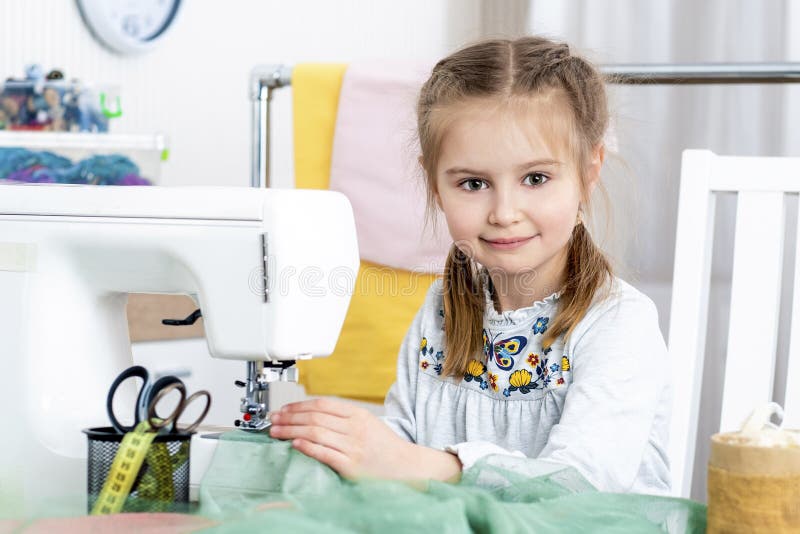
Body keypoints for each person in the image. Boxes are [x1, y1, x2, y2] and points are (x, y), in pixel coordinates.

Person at [268, 36, 671, 495]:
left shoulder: (618, 324)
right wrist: (342, 456)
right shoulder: (440, 310)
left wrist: (422, 465)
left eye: (535, 178)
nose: (504, 211)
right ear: (435, 185)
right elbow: (400, 448)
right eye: (474, 183)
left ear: (589, 170)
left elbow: (578, 484)